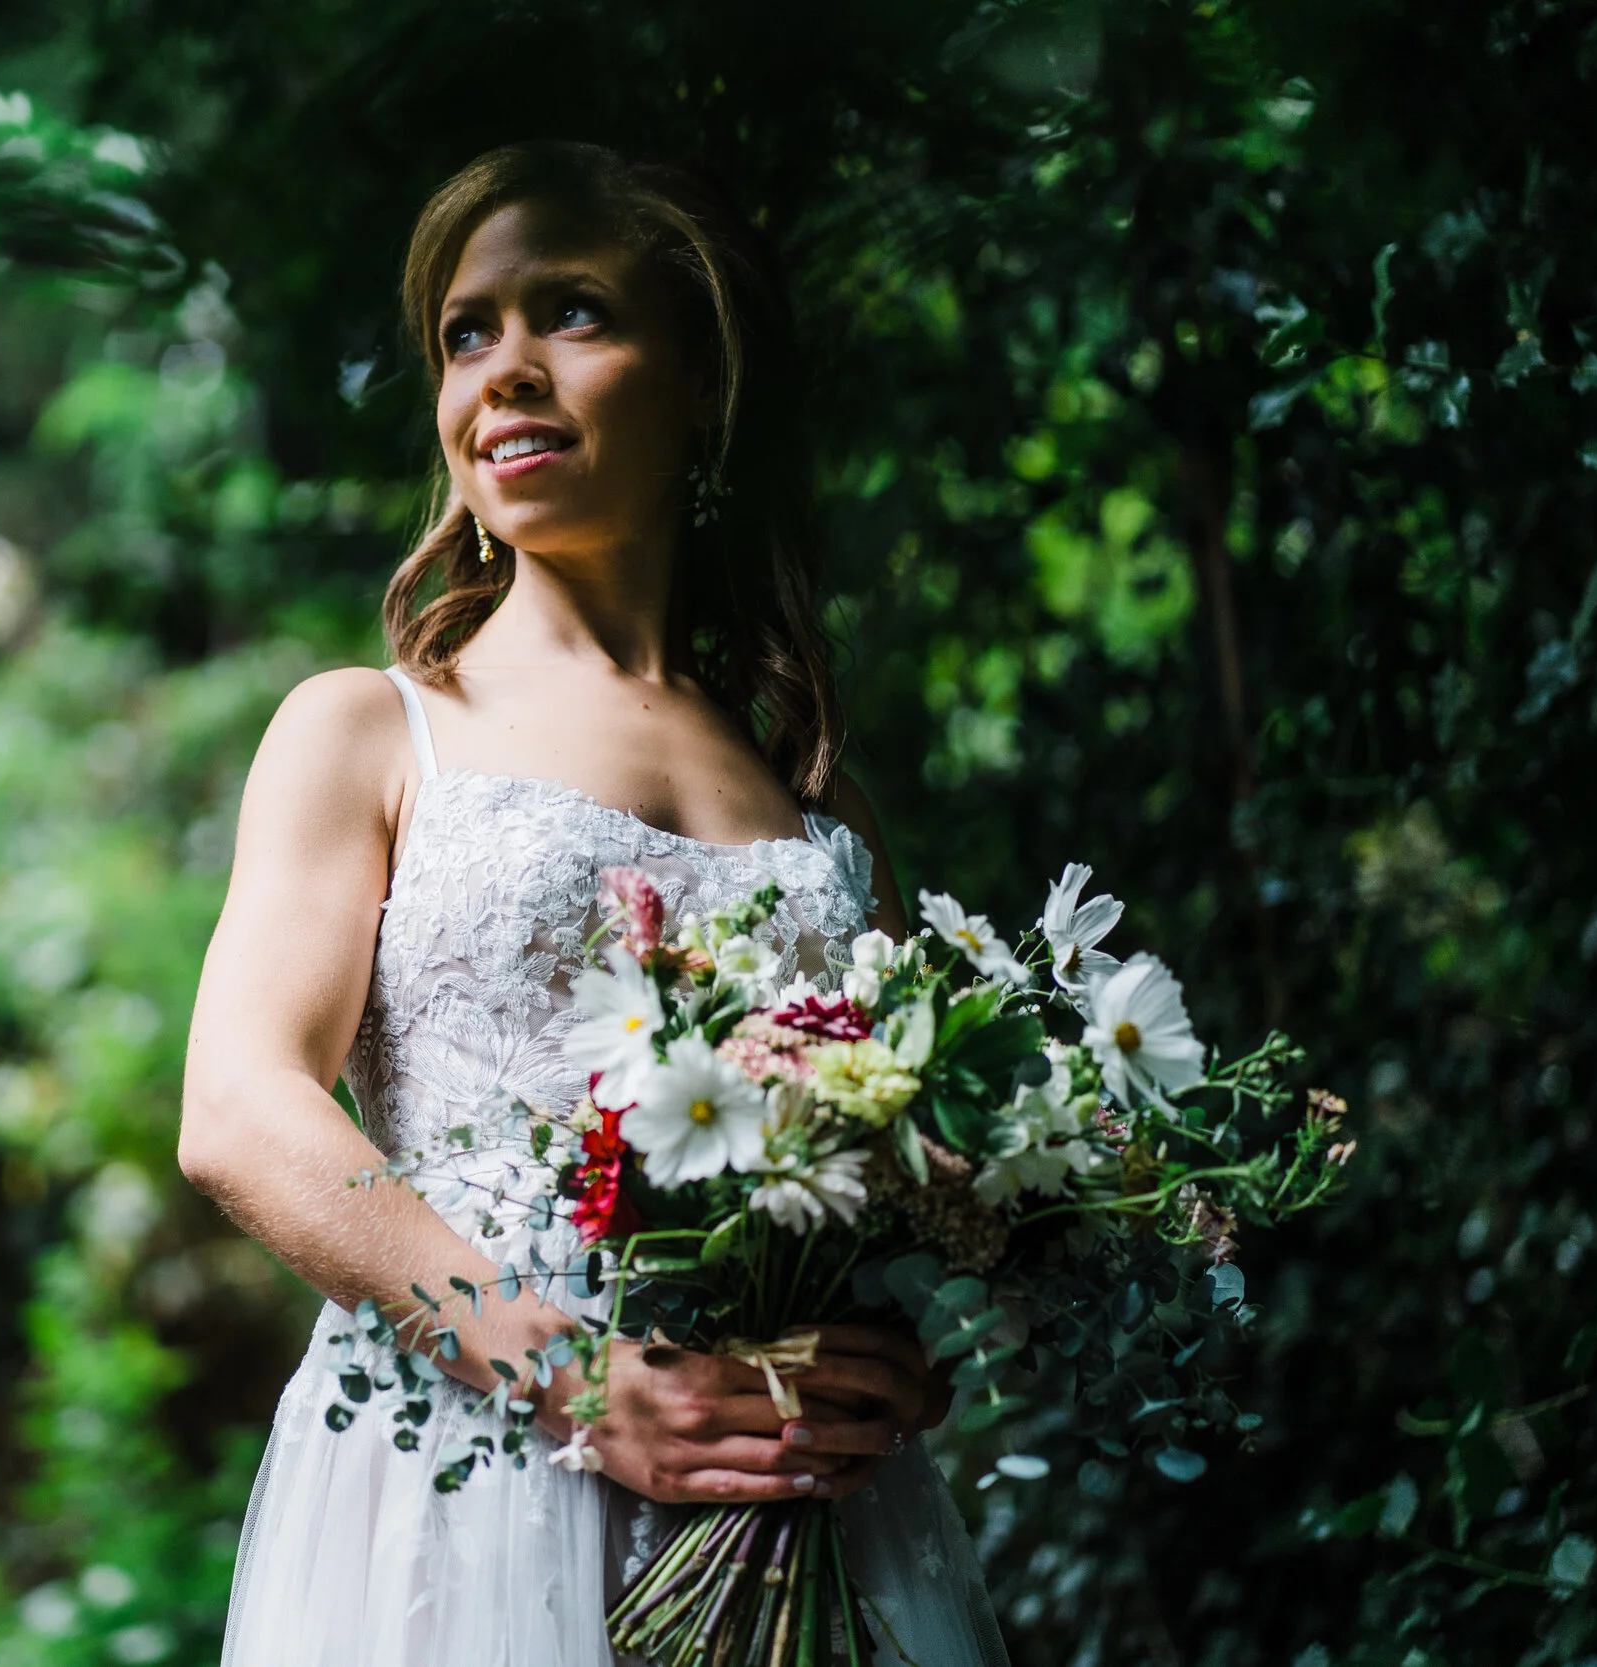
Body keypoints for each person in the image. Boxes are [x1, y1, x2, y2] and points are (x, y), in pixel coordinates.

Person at [179, 142, 1006, 1665]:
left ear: (700, 385)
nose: (505, 370)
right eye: (467, 333)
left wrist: (886, 1352)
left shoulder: (810, 802)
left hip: (790, 1502)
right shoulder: (368, 726)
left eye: (571, 313)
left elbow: (884, 1168)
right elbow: (239, 1105)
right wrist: (571, 1377)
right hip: (475, 1468)